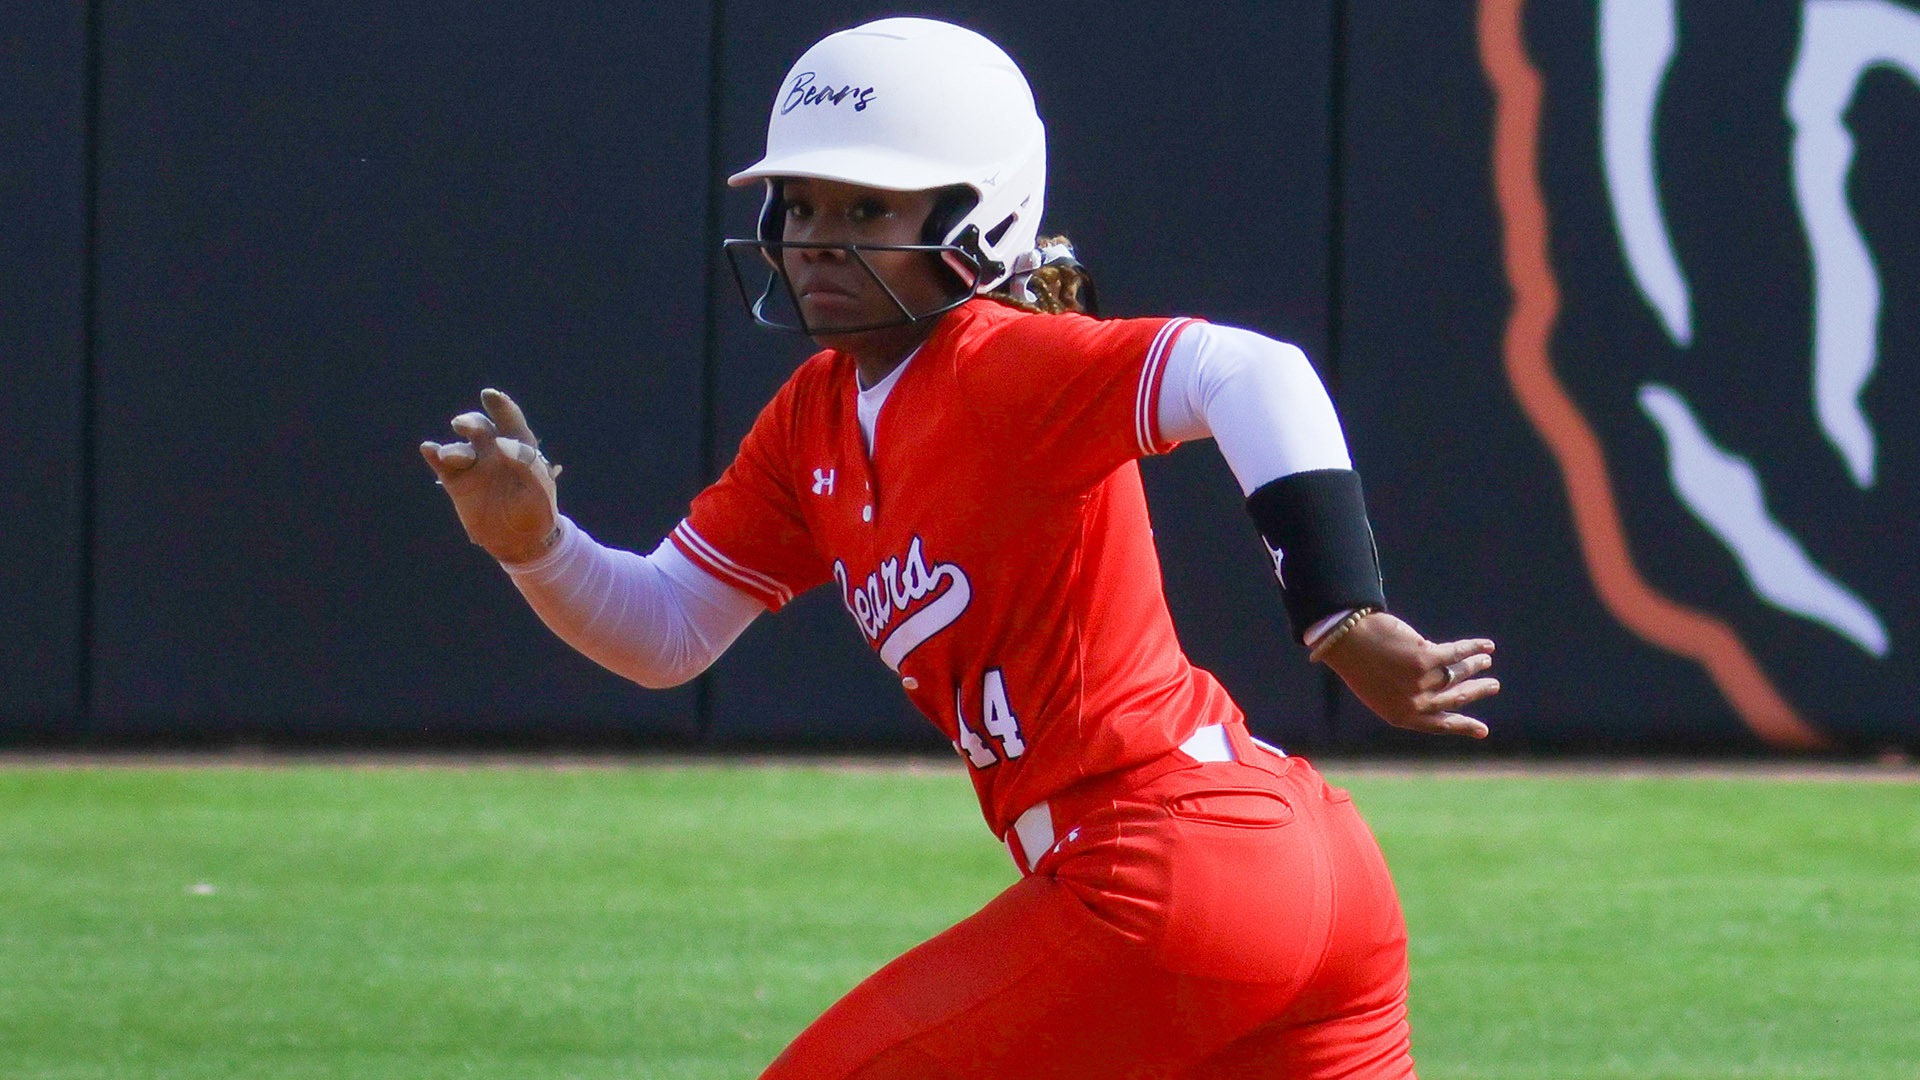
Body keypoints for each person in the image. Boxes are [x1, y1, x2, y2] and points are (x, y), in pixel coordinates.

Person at [420, 17, 1498, 1079]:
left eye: (866, 207)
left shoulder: (1000, 361)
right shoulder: (815, 419)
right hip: (1285, 864)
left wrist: (1340, 611)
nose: (815, 236)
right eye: (800, 205)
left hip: (1170, 868)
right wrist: (537, 547)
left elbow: (1253, 372)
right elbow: (668, 632)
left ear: (980, 219)